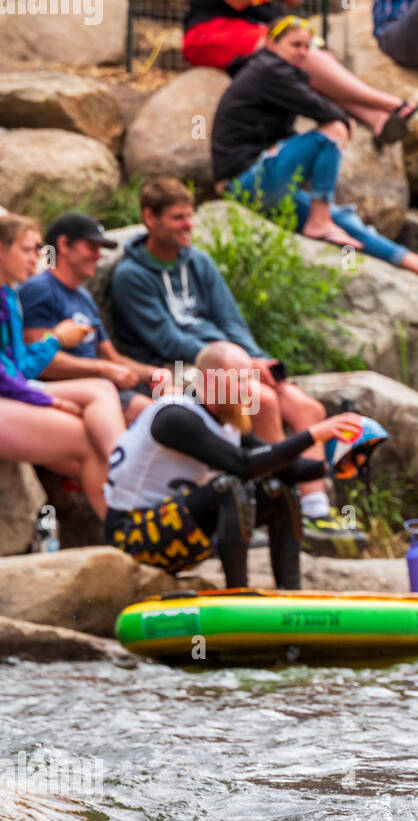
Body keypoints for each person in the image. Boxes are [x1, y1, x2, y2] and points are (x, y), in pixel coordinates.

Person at [108, 177, 360, 553]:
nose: (188, 226)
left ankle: (315, 508)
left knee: (306, 407)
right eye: (178, 218)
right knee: (264, 402)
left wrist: (253, 359)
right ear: (150, 218)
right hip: (177, 365)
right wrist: (228, 364)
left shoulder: (199, 262)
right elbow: (166, 340)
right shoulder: (131, 276)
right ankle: (271, 501)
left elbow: (231, 320)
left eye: (189, 217)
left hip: (226, 359)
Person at [212, 15, 418, 285]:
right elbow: (330, 116)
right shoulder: (268, 70)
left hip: (256, 184)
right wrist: (365, 112)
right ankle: (319, 218)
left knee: (340, 219)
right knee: (332, 131)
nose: (303, 53)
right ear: (271, 44)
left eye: (307, 47)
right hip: (244, 181)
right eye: (295, 45)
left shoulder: (275, 71)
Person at [104, 344, 365, 589]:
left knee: (277, 488)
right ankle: (237, 592)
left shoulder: (225, 420)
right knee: (229, 487)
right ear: (208, 381)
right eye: (239, 379)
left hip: (177, 530)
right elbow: (244, 465)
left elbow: (277, 465)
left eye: (249, 379)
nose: (247, 389)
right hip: (133, 537)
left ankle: (290, 591)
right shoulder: (176, 417)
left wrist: (333, 465)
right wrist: (313, 435)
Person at [183, 0, 418, 144]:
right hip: (216, 32)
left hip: (260, 30)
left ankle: (376, 119)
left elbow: (294, 2)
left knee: (316, 58)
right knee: (307, 59)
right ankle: (387, 103)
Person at [1, 213, 126, 478]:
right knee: (88, 438)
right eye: (26, 250)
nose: (36, 257)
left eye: (37, 250)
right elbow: (14, 374)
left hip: (20, 389)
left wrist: (151, 374)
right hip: (14, 397)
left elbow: (19, 366)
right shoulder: (38, 289)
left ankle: (127, 491)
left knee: (105, 393)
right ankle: (126, 477)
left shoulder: (11, 296)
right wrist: (50, 401)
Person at [19, 214, 159, 426]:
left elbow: (111, 357)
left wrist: (153, 375)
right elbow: (38, 361)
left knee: (176, 401)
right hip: (72, 391)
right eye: (92, 247)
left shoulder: (84, 296)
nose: (97, 256)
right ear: (64, 244)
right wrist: (101, 369)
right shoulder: (39, 289)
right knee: (154, 415)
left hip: (104, 384)